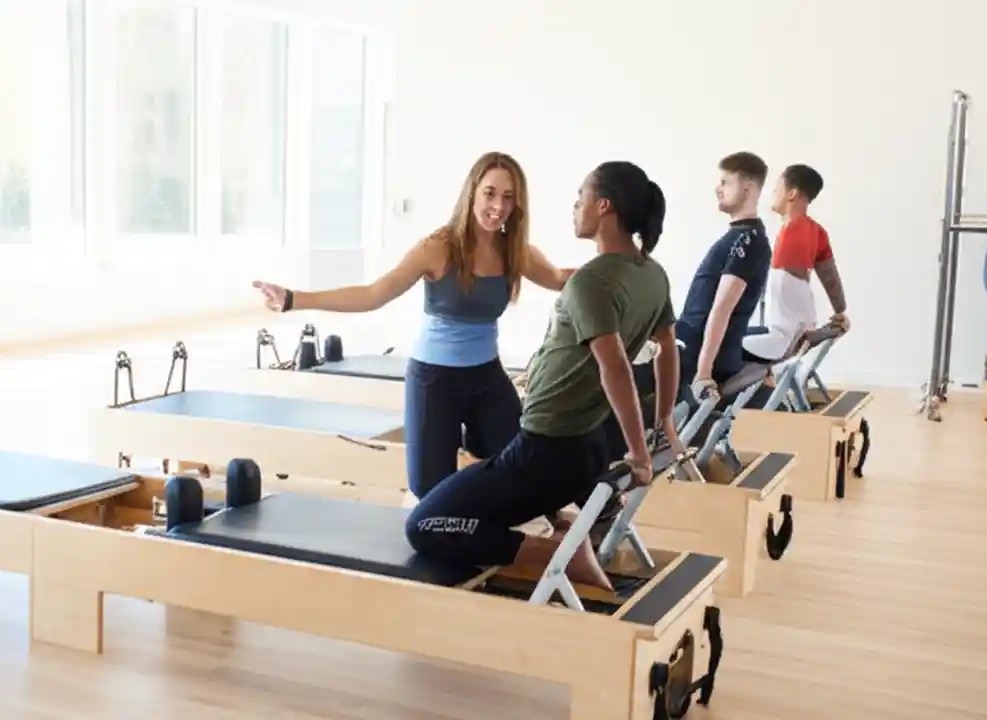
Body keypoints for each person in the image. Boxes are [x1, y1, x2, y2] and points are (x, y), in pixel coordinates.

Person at [403, 160, 679, 590]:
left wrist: (640, 452)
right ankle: (567, 533)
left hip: (545, 453)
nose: (574, 206)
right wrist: (665, 425)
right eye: (491, 194)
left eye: (580, 198)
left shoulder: (591, 282)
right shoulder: (652, 274)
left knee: (426, 523)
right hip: (582, 450)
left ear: (603, 206)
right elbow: (667, 351)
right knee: (461, 487)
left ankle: (562, 555)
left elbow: (615, 368)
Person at [252, 151, 573, 499]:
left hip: (486, 378)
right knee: (429, 490)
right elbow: (374, 294)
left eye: (508, 197)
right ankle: (450, 444)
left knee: (523, 460)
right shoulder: (437, 248)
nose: (498, 205)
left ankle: (472, 453)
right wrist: (294, 299)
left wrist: (623, 270)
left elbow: (559, 278)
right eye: (490, 193)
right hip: (435, 379)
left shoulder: (515, 250)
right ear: (472, 193)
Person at [668, 151, 773, 400]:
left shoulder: (747, 242)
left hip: (691, 353)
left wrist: (703, 374)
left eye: (725, 182)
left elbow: (721, 310)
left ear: (747, 189)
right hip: (687, 340)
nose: (718, 188)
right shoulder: (743, 237)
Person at [743, 163, 849, 362]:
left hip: (782, 341)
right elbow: (832, 282)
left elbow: (789, 284)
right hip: (796, 336)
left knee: (715, 345)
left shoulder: (790, 234)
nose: (773, 192)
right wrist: (839, 313)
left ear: (791, 193)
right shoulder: (817, 232)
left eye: (777, 188)